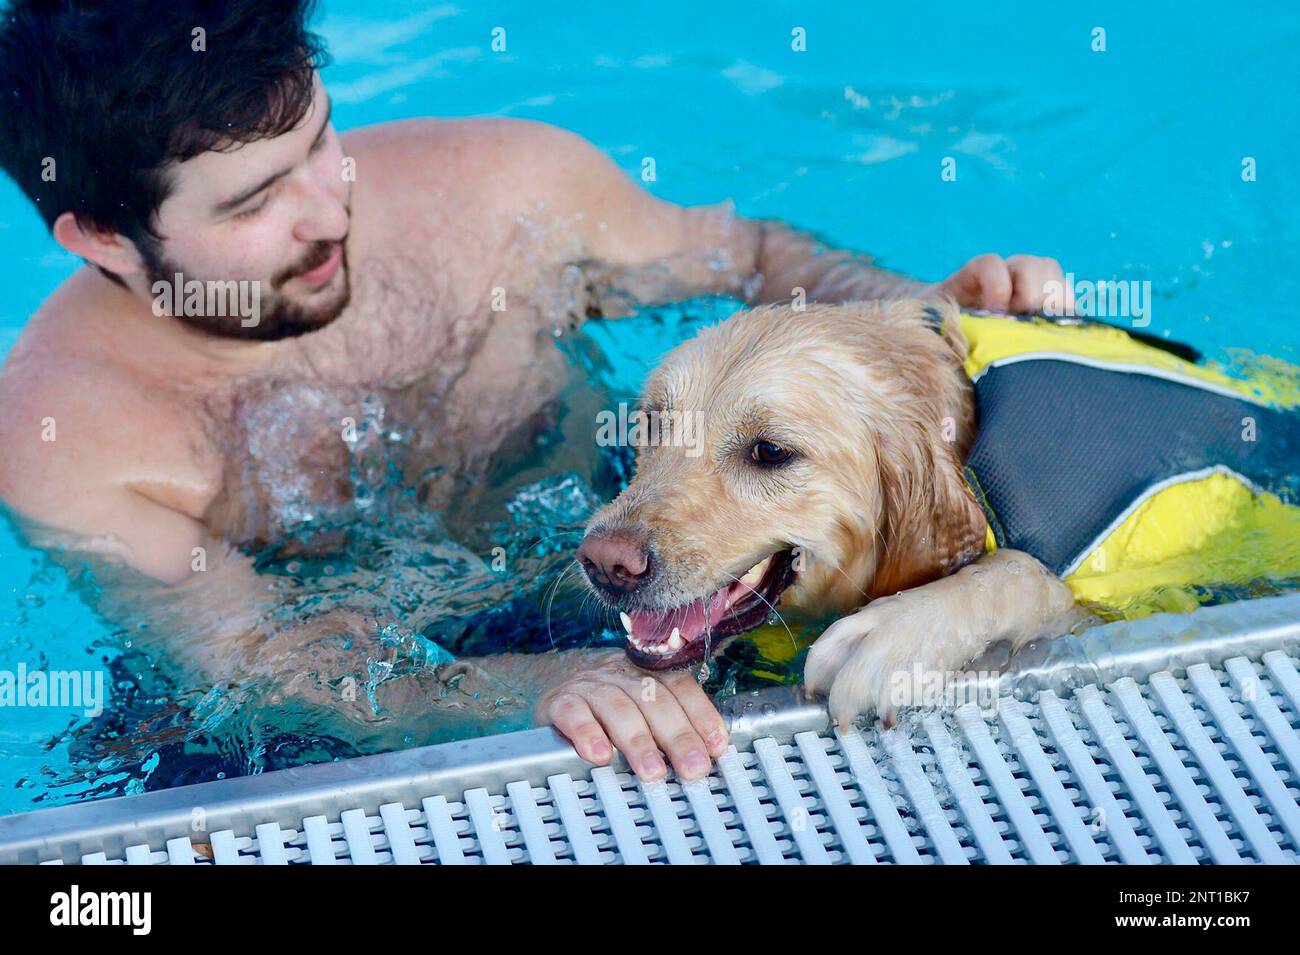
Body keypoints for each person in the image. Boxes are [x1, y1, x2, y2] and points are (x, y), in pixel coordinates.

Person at [0, 0, 1068, 781]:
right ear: (102, 239)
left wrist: (917, 312)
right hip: (380, 686)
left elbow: (743, 256)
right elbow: (258, 663)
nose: (330, 213)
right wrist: (531, 689)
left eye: (321, 143)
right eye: (253, 204)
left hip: (640, 530)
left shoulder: (501, 185)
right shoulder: (71, 442)